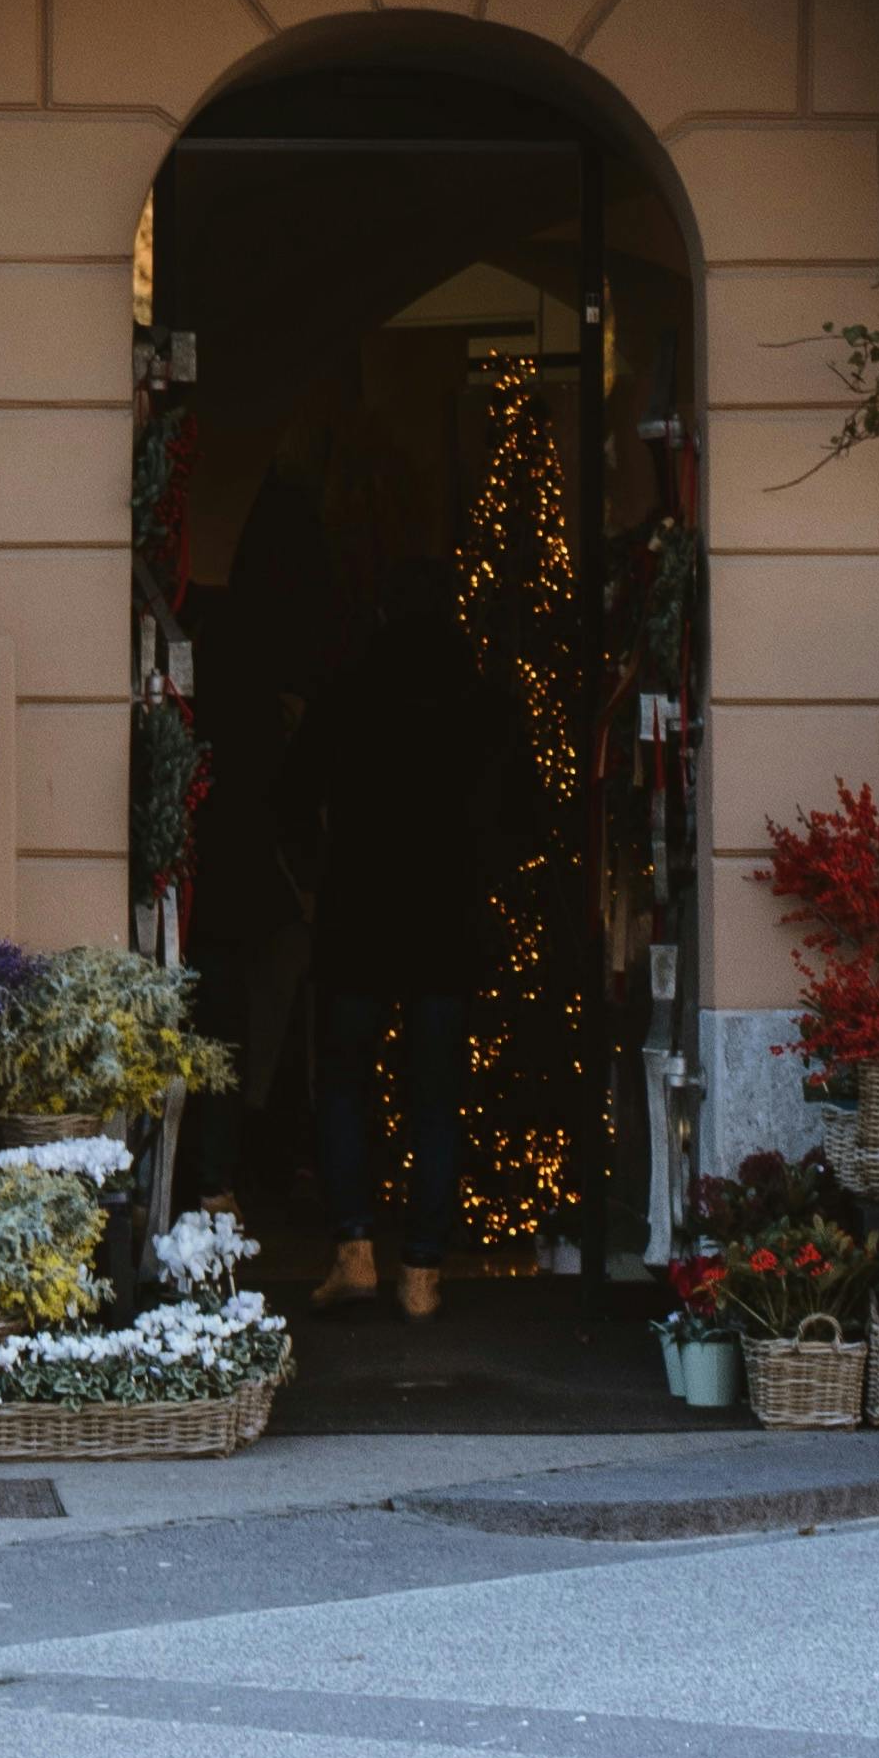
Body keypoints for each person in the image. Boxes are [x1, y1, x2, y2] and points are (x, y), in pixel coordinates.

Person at [278, 559, 506, 1320]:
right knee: (436, 1099)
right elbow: (518, 814)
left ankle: (355, 1254)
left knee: (344, 1088)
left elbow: (291, 797)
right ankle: (423, 1276)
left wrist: (316, 882)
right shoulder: (479, 702)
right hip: (445, 925)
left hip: (359, 920)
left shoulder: (349, 694)